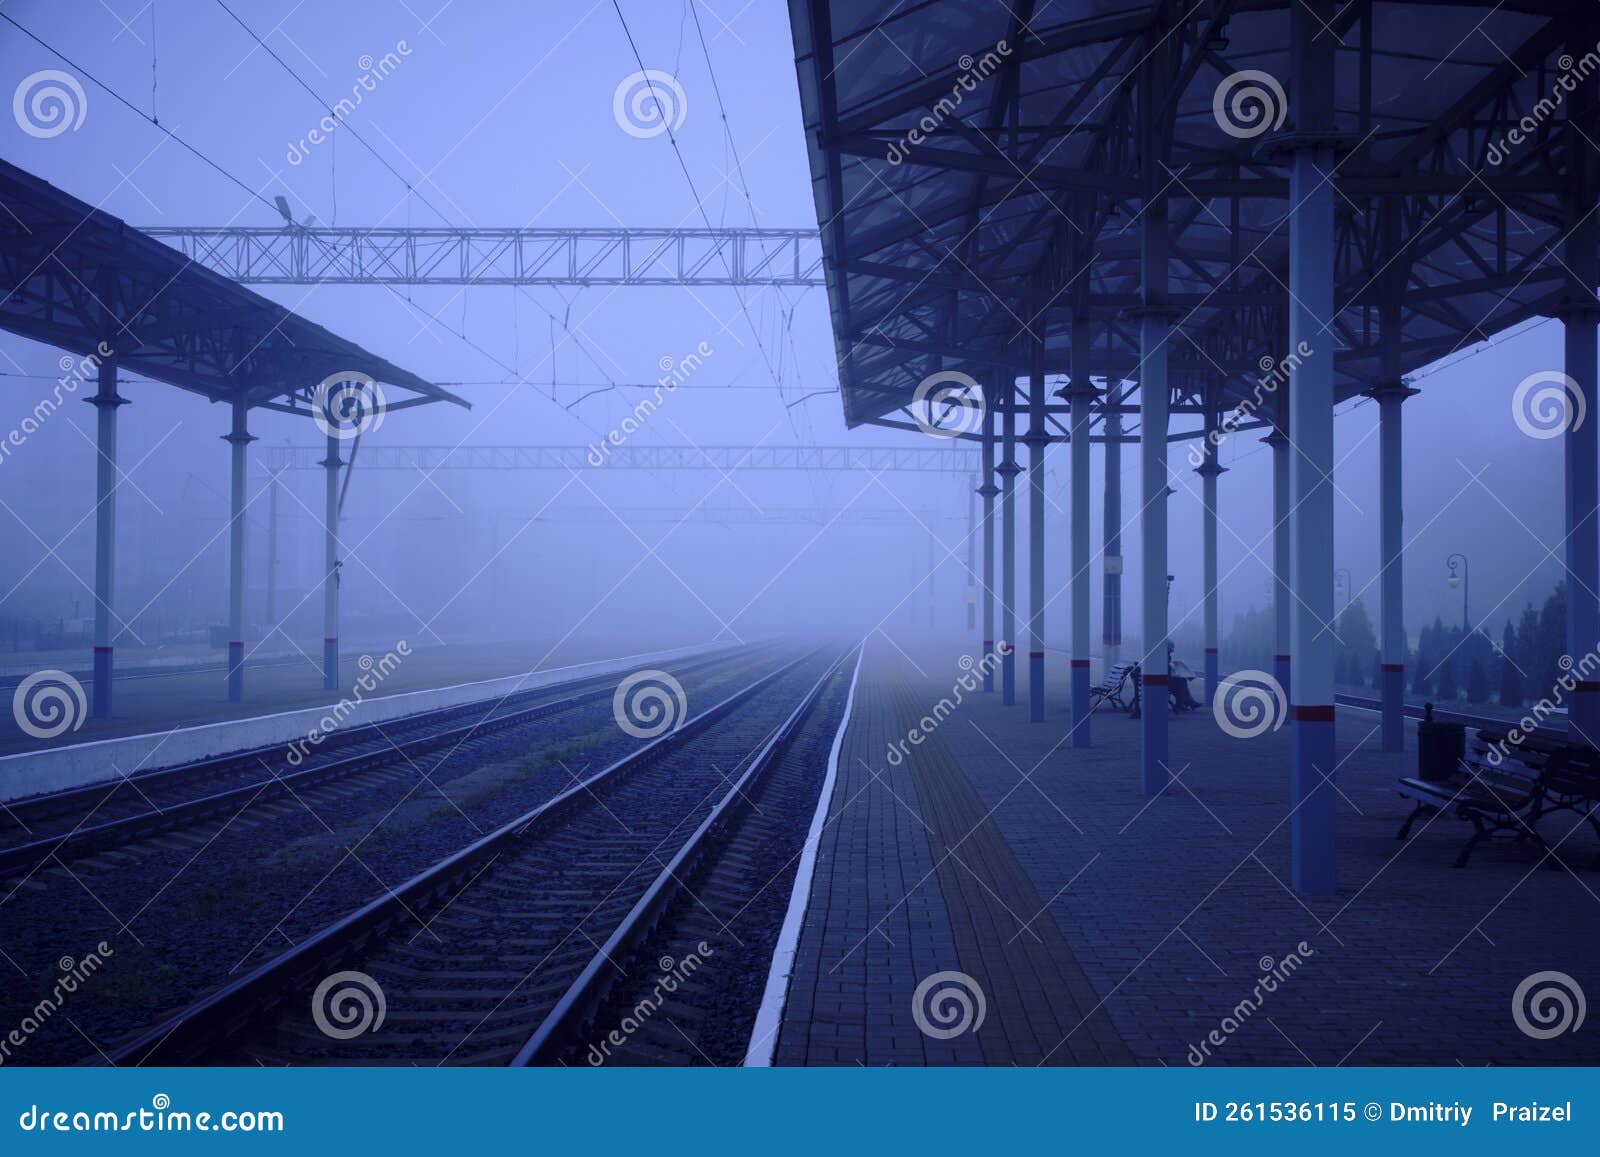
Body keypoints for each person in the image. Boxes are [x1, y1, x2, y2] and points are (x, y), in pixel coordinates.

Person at [1168, 642, 1201, 712]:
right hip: (1164, 681)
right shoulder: (1163, 656)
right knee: (1181, 682)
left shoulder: (1166, 656)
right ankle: (1185, 703)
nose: (1172, 650)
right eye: (1171, 648)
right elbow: (1166, 669)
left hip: (1166, 680)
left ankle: (1186, 702)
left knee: (1182, 681)